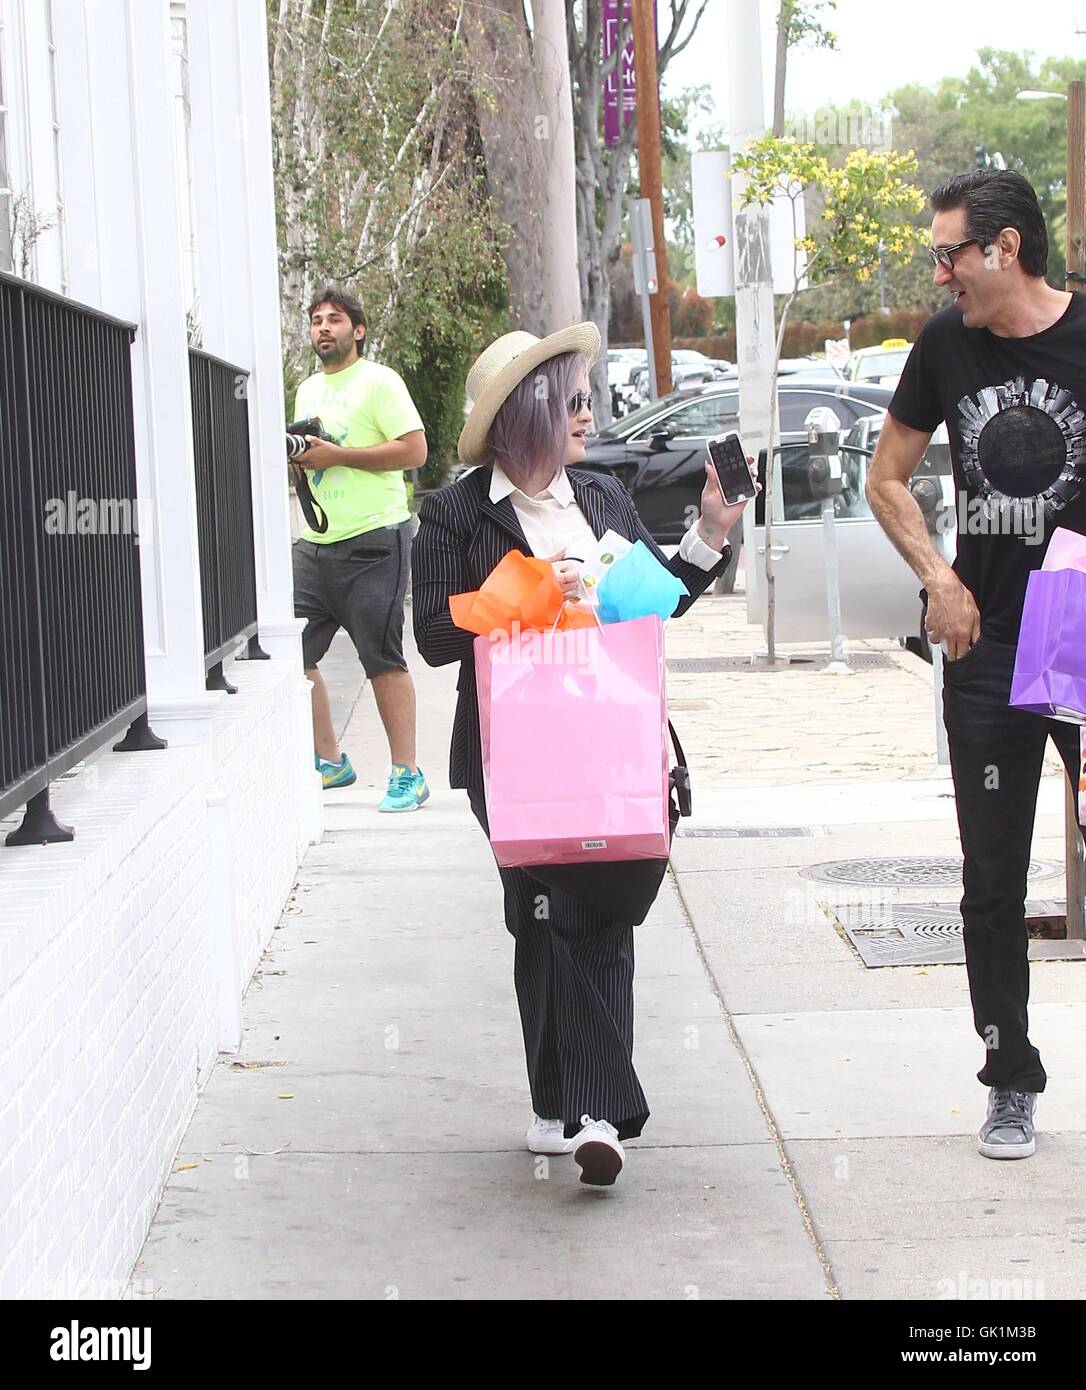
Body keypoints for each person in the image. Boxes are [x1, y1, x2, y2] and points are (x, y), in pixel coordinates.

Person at [411, 323, 753, 1185]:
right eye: (572, 400)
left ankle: (594, 1110)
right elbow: (431, 633)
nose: (589, 416)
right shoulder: (454, 511)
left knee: (597, 901)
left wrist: (711, 532)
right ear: (527, 410)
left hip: (611, 741)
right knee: (539, 911)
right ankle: (558, 1099)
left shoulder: (599, 496)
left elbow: (658, 601)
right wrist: (528, 593)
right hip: (511, 752)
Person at [867, 169, 1086, 1160]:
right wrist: (938, 579)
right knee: (992, 877)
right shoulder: (944, 344)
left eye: (950, 250)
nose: (940, 269)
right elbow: (886, 477)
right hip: (991, 635)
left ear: (1005, 247)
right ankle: (1009, 1078)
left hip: (1078, 619)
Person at [291, 286, 430, 811]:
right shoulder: (307, 390)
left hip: (375, 540)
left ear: (358, 329)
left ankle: (407, 773)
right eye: (316, 320)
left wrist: (340, 456)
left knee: (381, 659)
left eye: (335, 319)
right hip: (315, 543)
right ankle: (330, 762)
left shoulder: (379, 382)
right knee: (292, 655)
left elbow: (415, 449)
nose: (323, 328)